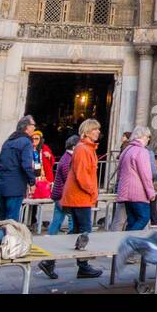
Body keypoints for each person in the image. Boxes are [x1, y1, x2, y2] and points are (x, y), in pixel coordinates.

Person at [50, 118, 103, 280]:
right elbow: (82, 175)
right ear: (86, 131)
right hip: (79, 198)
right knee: (84, 231)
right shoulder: (82, 149)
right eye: (95, 129)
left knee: (76, 232)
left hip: (80, 197)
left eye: (98, 129)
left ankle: (51, 262)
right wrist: (92, 191)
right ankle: (83, 266)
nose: (98, 132)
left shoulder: (87, 148)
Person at [0, 115, 37, 222]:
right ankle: (10, 239)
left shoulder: (7, 141)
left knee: (2, 220)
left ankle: (2, 239)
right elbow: (26, 165)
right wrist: (32, 182)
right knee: (12, 222)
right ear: (27, 127)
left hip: (3, 186)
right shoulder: (26, 142)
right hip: (16, 186)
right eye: (33, 125)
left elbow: (0, 162)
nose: (34, 128)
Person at [116, 126, 155, 231]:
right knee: (144, 218)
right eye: (148, 137)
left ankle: (130, 244)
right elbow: (146, 175)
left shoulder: (127, 149)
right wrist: (151, 193)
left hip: (125, 192)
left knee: (132, 220)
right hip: (138, 193)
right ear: (142, 136)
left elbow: (119, 171)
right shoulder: (141, 151)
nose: (148, 139)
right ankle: (129, 240)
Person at [29, 130, 55, 200]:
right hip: (31, 177)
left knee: (41, 197)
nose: (34, 140)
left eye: (36, 138)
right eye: (33, 139)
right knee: (31, 198)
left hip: (42, 177)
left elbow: (52, 162)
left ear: (40, 140)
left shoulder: (45, 148)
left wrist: (49, 156)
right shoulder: (28, 149)